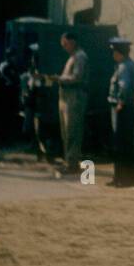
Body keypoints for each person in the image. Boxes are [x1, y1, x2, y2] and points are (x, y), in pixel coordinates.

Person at [51, 32, 89, 177]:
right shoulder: (73, 57)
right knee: (66, 131)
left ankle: (72, 163)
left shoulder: (80, 57)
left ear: (72, 42)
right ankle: (69, 160)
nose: (64, 47)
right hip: (66, 96)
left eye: (65, 44)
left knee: (73, 130)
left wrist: (59, 78)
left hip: (75, 96)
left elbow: (77, 77)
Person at [107, 39, 134, 187]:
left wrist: (120, 102)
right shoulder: (129, 64)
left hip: (122, 108)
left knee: (121, 144)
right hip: (128, 107)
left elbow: (124, 86)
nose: (113, 54)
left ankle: (122, 177)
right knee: (126, 143)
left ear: (119, 53)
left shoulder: (124, 67)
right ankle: (124, 177)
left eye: (114, 51)